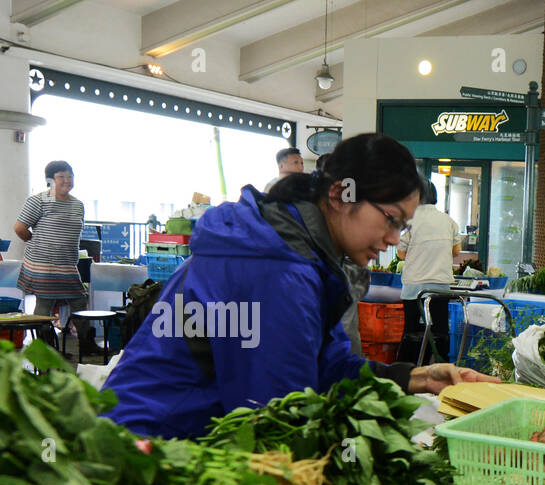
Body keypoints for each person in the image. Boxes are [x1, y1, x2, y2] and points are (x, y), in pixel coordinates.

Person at [104, 133, 493, 440]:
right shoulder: (275, 270)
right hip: (150, 448)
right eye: (391, 219)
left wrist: (415, 377)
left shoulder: (302, 257)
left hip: (188, 439)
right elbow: (276, 416)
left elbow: (325, 366)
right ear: (342, 196)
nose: (394, 238)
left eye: (402, 226)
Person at [11, 160, 100, 358]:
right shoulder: (38, 201)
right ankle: (45, 353)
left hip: (67, 265)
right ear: (50, 180)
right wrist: (37, 244)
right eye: (61, 177)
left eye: (70, 176)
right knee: (44, 305)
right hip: (42, 265)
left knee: (79, 303)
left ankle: (87, 345)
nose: (67, 181)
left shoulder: (78, 205)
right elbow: (19, 228)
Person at [397, 180, 460, 363]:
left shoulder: (410, 221)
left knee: (412, 331)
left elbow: (401, 254)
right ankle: (439, 367)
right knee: (440, 331)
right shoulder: (448, 221)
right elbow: (455, 251)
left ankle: (411, 368)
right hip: (440, 286)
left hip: (413, 288)